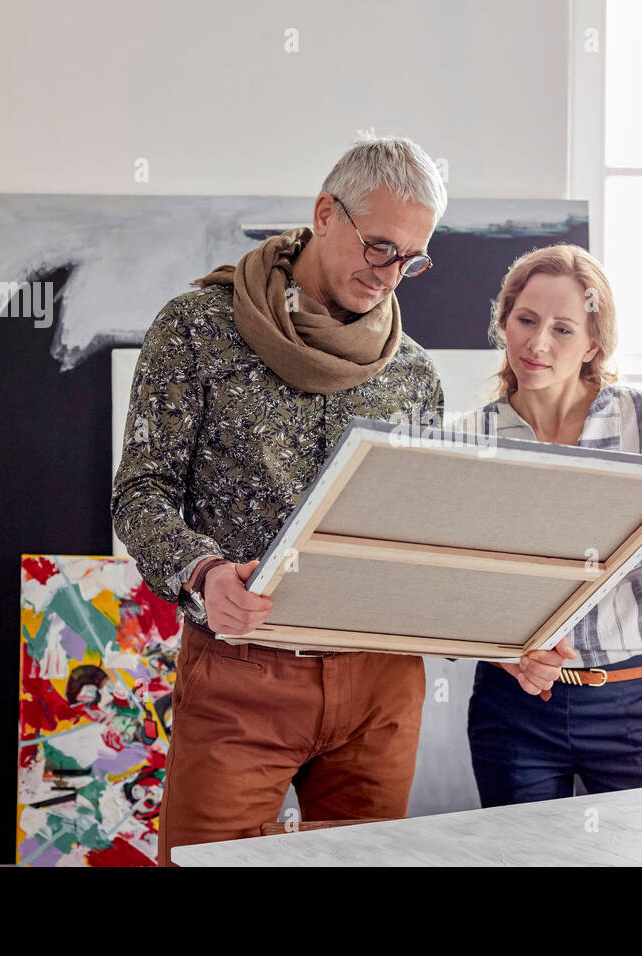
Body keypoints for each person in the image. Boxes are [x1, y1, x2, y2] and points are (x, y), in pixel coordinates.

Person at [111, 135, 454, 866]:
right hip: (242, 675)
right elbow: (140, 494)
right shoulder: (195, 330)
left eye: (412, 259)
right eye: (381, 247)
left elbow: (424, 541)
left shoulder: (415, 374)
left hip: (382, 686)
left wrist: (511, 632)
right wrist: (203, 574)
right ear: (325, 212)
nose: (391, 274)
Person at [451, 244, 642, 807]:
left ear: (592, 344)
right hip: (515, 708)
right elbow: (459, 586)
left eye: (564, 329)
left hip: (632, 701)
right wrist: (504, 653)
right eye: (526, 320)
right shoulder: (470, 438)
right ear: (504, 322)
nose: (538, 344)